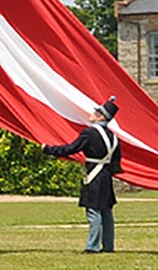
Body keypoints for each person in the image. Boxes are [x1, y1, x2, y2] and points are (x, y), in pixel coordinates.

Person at [42, 97, 121, 253]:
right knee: (106, 211)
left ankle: (92, 246)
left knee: (93, 210)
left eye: (97, 112)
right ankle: (108, 246)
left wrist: (49, 150)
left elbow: (71, 149)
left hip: (94, 173)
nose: (92, 113)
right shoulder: (113, 136)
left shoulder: (90, 133)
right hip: (106, 175)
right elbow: (116, 160)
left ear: (101, 117)